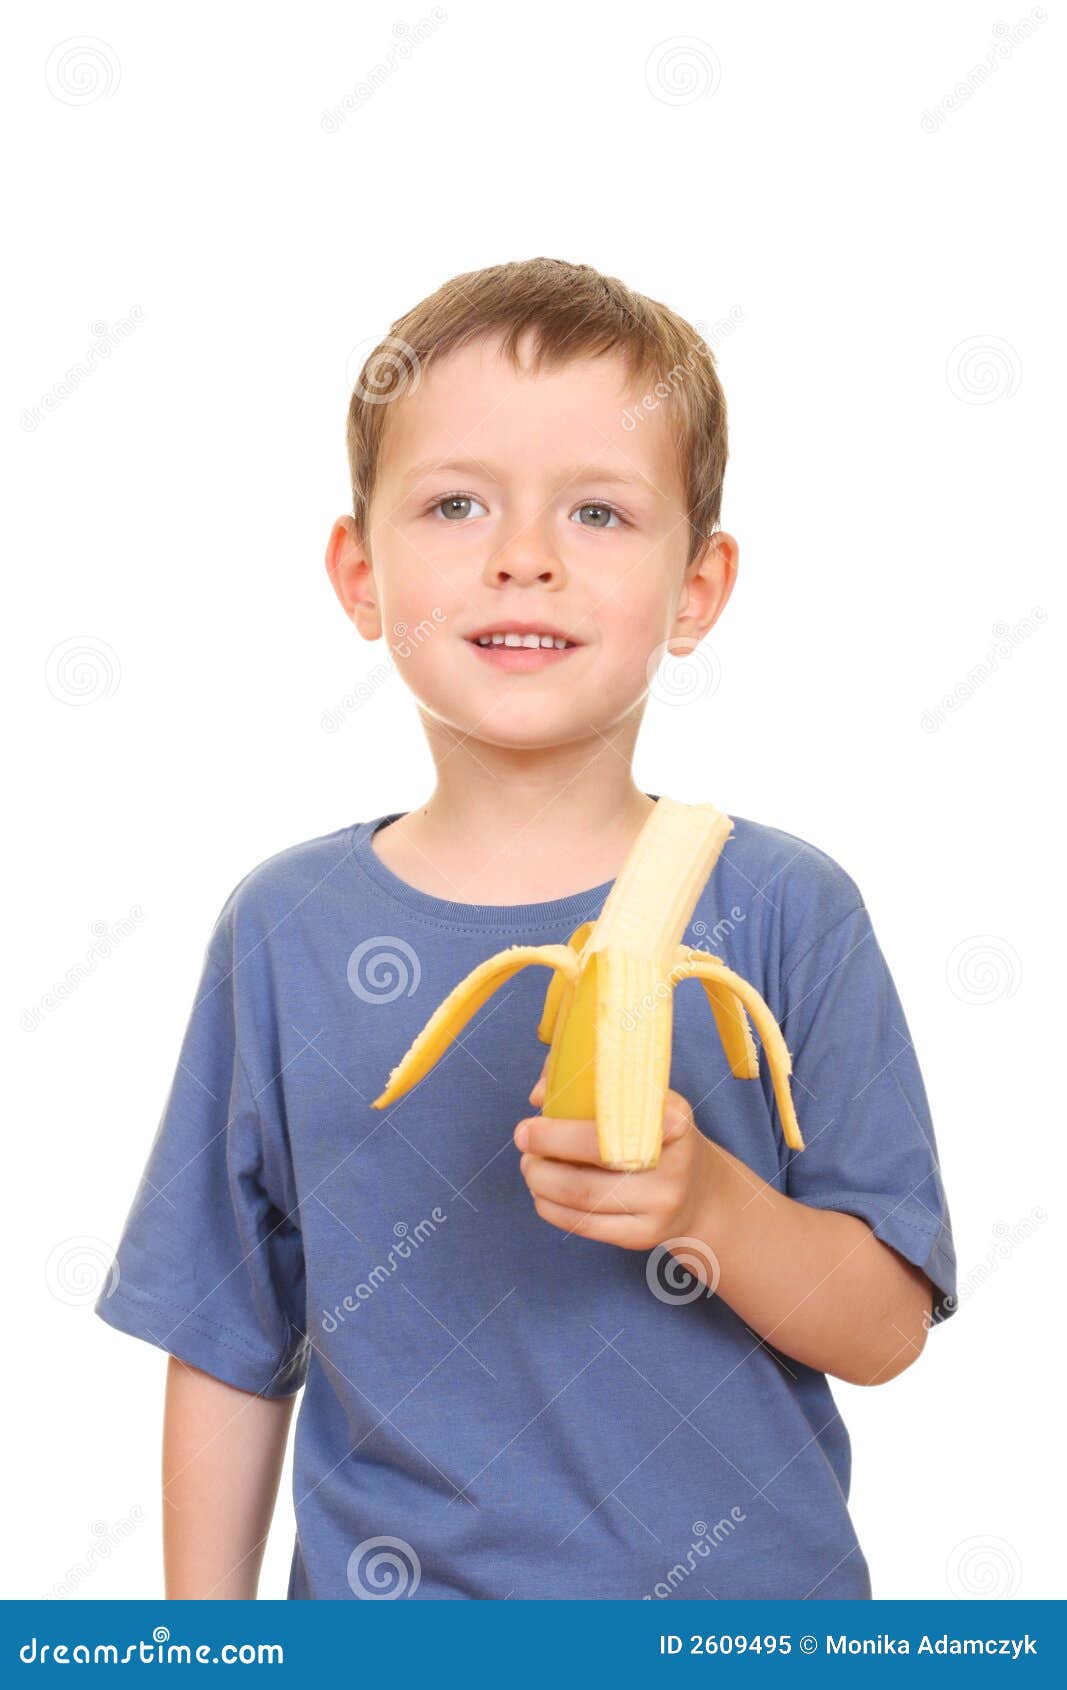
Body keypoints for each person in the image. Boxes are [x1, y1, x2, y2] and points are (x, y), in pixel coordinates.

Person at [95, 256, 957, 1601]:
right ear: (359, 571)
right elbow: (225, 1336)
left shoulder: (788, 906)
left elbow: (887, 1322)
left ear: (697, 588)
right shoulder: (286, 930)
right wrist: (205, 1651)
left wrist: (705, 1202)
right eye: (454, 503)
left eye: (601, 512)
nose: (525, 557)